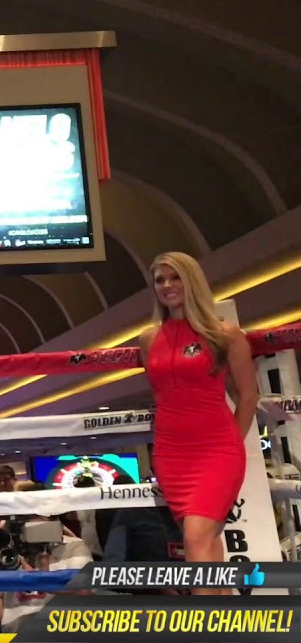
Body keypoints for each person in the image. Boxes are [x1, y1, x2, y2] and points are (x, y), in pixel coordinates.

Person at [139, 251, 258, 594]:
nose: (166, 285)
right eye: (160, 279)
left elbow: (248, 396)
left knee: (196, 540)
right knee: (205, 546)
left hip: (217, 451)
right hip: (171, 454)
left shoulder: (225, 334)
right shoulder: (148, 339)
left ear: (191, 281)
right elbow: (163, 395)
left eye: (174, 277)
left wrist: (229, 445)